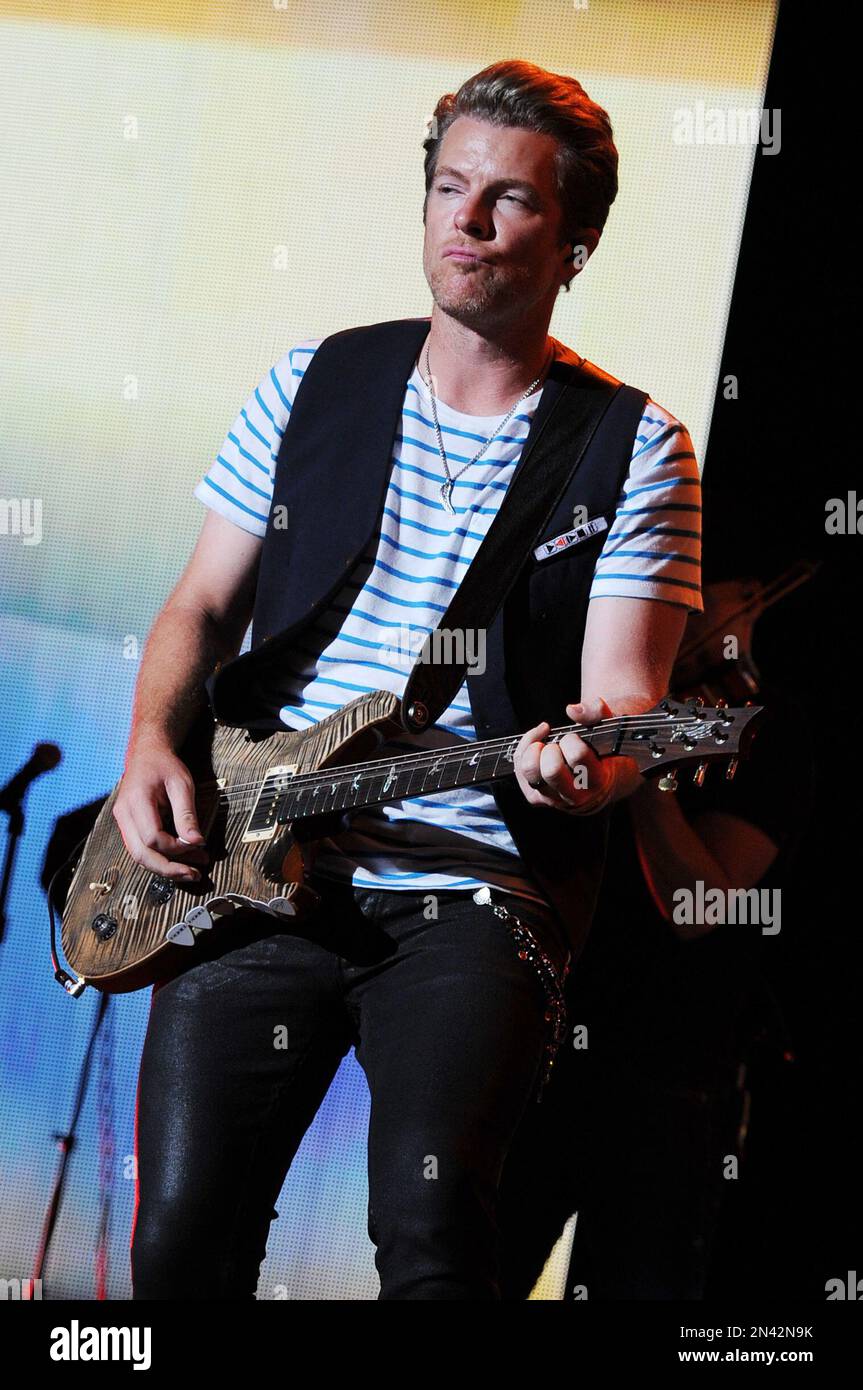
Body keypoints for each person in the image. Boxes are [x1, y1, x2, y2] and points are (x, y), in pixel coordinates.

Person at [116, 59, 702, 1300]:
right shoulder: (312, 379)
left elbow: (618, 706)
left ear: (578, 240)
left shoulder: (631, 444)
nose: (465, 221)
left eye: (508, 199)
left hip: (470, 894)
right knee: (175, 1253)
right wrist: (150, 752)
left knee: (434, 1249)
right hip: (254, 865)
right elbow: (199, 606)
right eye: (447, 186)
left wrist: (579, 764)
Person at [497, 572, 812, 1300]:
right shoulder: (594, 700)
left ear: (752, 602)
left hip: (668, 1081)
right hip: (554, 1051)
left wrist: (644, 777)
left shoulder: (773, 734)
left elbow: (698, 903)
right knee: (482, 1266)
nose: (698, 609)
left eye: (723, 588)